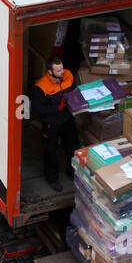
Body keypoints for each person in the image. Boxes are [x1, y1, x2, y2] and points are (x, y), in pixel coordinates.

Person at [31, 55, 77, 190]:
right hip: (51, 123)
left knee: (72, 147)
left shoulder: (68, 75)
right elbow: (37, 108)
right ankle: (52, 179)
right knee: (50, 151)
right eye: (58, 71)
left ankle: (72, 172)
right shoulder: (40, 87)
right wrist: (56, 108)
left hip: (68, 120)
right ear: (50, 72)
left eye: (62, 68)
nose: (62, 72)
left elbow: (74, 90)